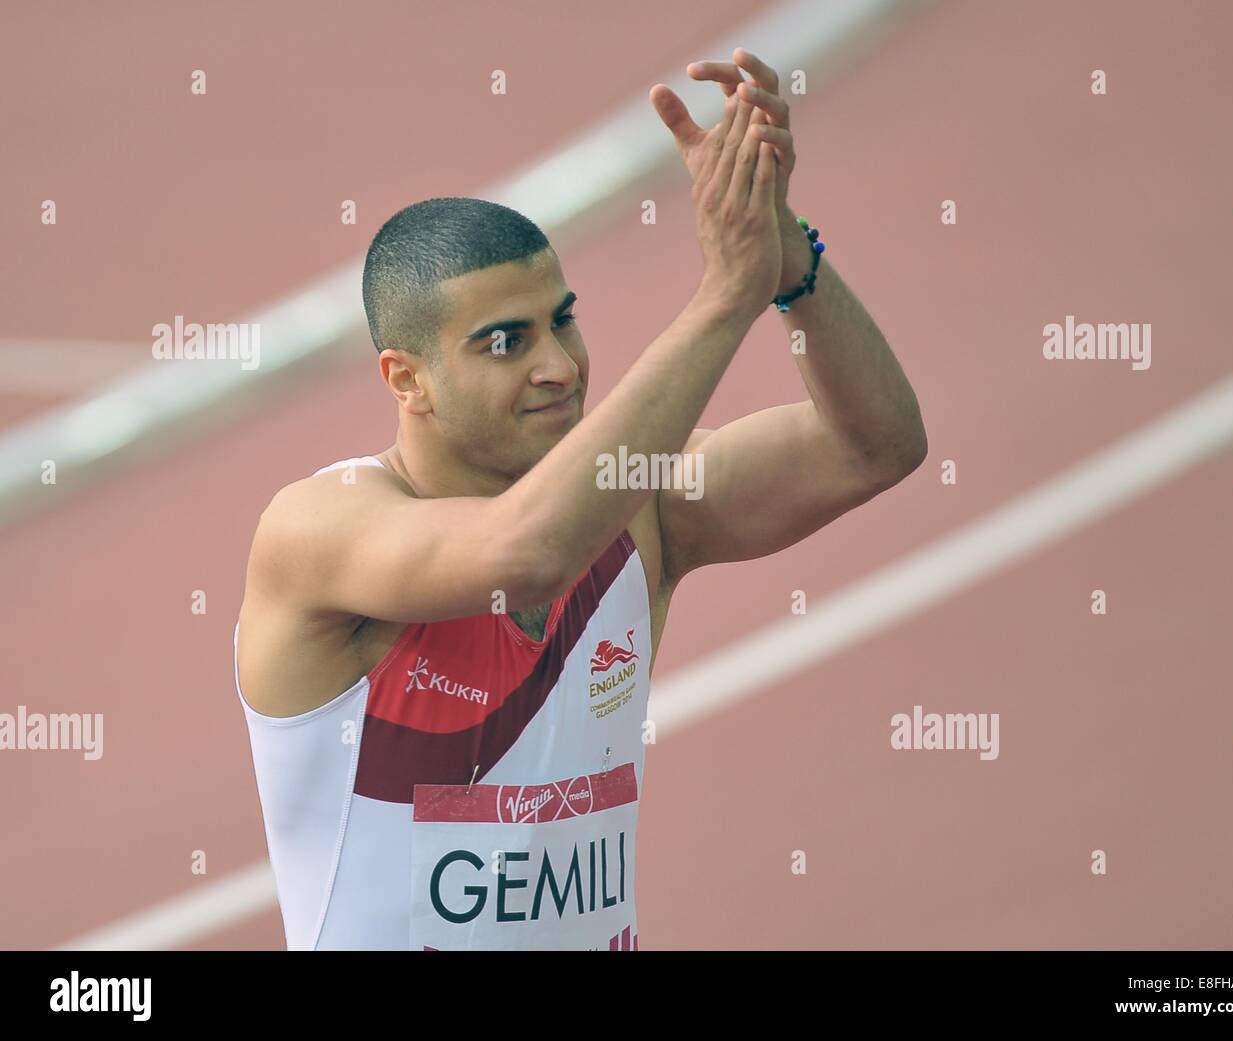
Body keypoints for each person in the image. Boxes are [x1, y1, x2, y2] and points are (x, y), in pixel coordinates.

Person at [234, 49, 926, 950]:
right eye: (503, 342)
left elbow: (875, 446)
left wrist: (789, 261)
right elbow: (524, 551)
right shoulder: (317, 532)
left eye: (563, 319)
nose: (558, 365)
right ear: (408, 379)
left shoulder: (643, 510)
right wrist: (726, 295)